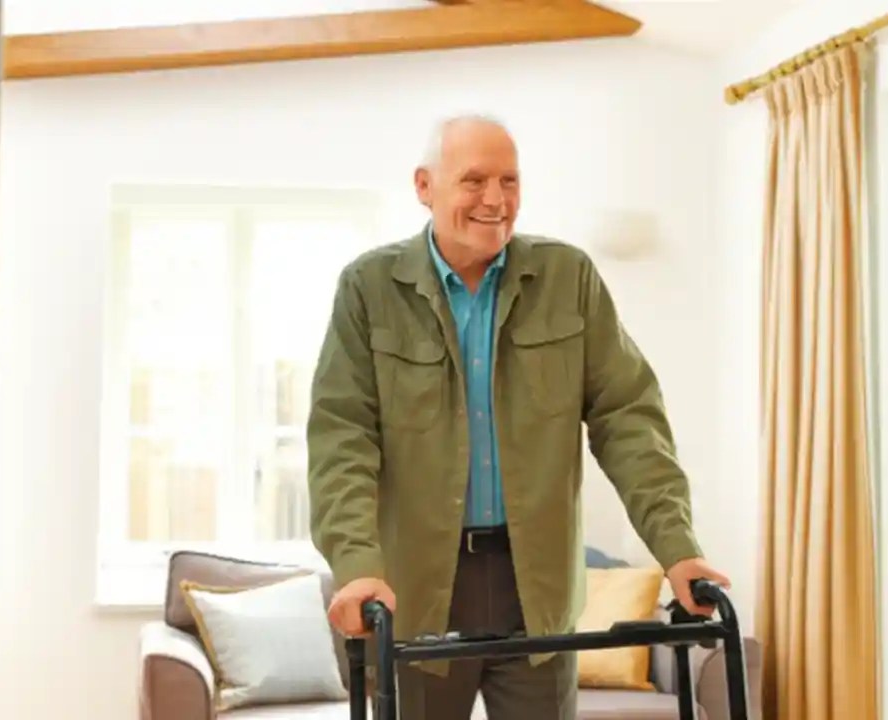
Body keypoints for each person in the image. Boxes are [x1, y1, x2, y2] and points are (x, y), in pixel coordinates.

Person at [307, 114, 729, 719]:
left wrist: (677, 547)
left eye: (509, 180)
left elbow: (628, 419)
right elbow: (340, 439)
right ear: (425, 186)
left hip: (536, 586)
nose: (495, 200)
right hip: (417, 588)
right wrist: (356, 566)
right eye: (473, 180)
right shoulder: (369, 289)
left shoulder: (569, 277)